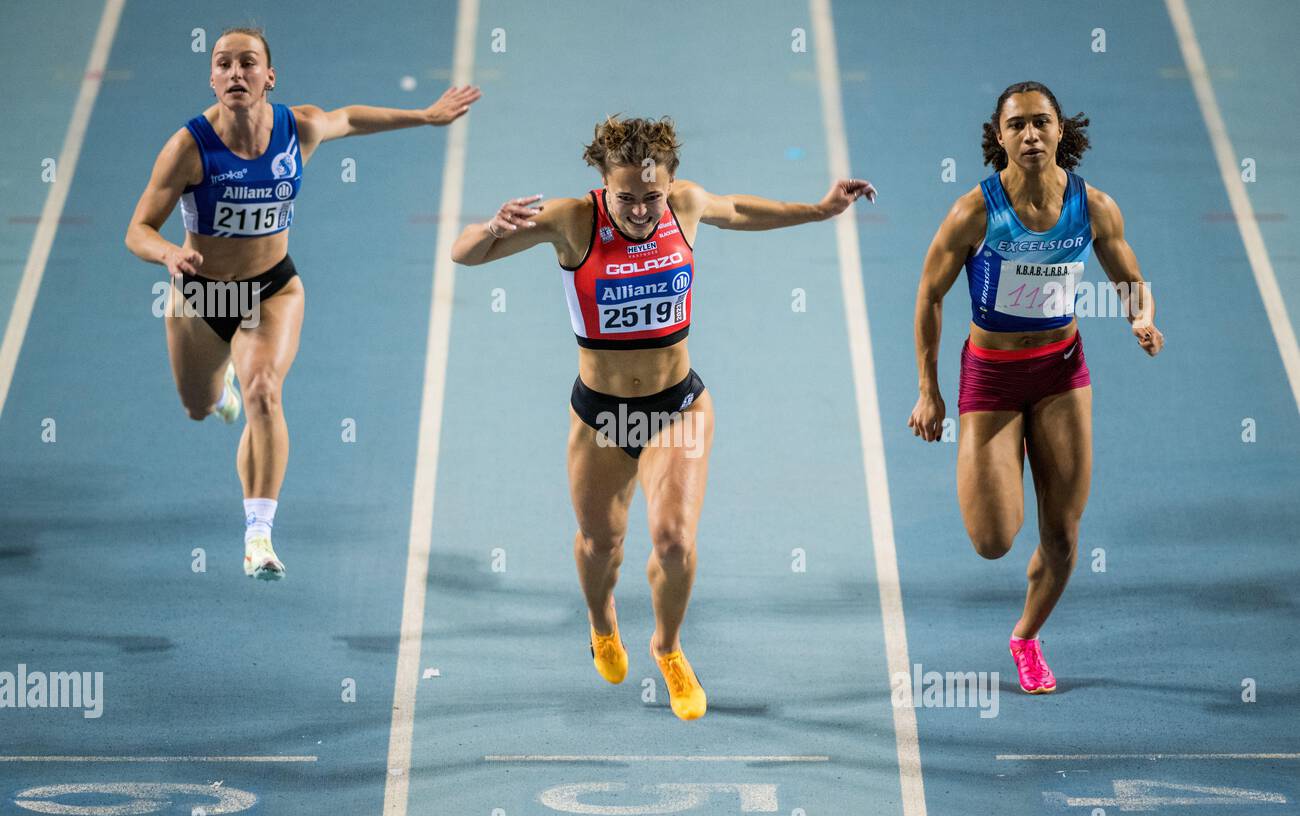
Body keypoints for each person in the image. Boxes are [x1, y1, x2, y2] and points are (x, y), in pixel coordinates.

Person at [452, 115, 875, 719]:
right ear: (604, 184)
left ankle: (668, 648)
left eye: (653, 197)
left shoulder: (687, 205)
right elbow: (464, 255)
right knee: (603, 543)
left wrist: (817, 210)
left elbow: (742, 211)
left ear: (670, 184)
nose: (643, 211)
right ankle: (602, 623)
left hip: (676, 407)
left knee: (674, 543)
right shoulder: (575, 221)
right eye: (627, 198)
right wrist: (493, 226)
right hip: (601, 416)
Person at [125, 25, 480, 580]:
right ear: (212, 76)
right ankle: (219, 396)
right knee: (197, 405)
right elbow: (138, 229)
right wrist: (168, 253)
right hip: (200, 295)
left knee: (265, 389)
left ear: (269, 77)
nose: (235, 73)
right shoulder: (188, 148)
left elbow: (352, 117)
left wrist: (426, 116)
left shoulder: (299, 129)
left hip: (271, 290)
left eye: (248, 63)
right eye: (223, 63)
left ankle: (258, 535)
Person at [908, 81, 1163, 693]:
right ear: (998, 136)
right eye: (1016, 124)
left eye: (1041, 123)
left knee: (1063, 534)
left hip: (1060, 374)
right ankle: (1003, 464)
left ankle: (1025, 637)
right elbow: (929, 296)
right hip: (992, 378)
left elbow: (1131, 277)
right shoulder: (974, 212)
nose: (1030, 135)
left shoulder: (1095, 207)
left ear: (1060, 131)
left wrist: (1141, 316)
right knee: (994, 540)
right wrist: (929, 390)